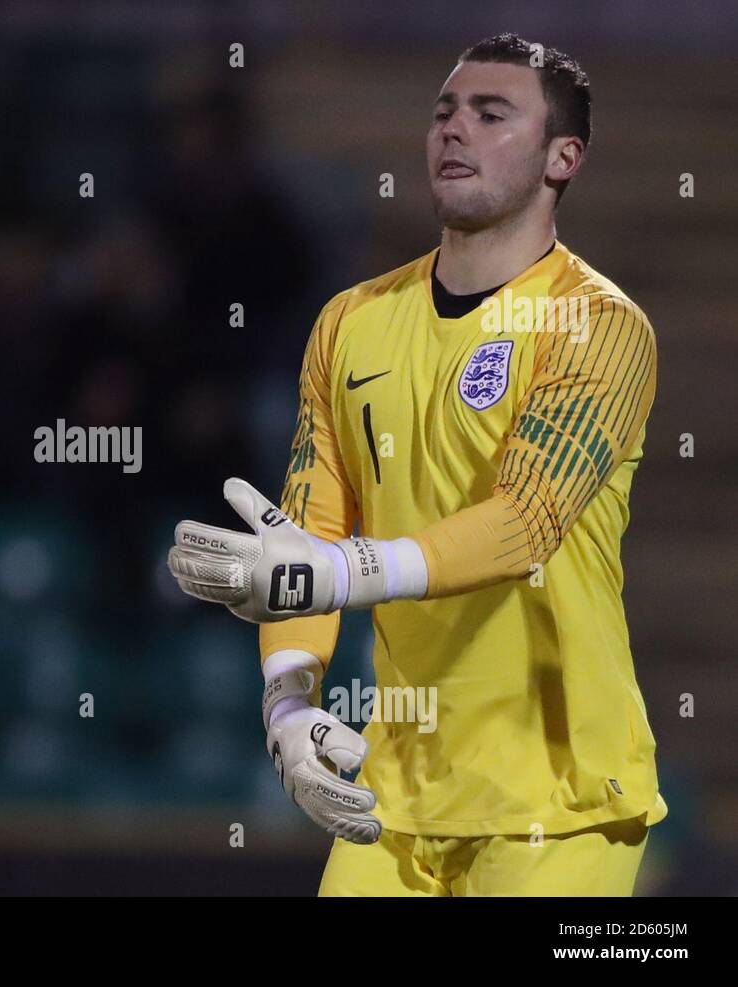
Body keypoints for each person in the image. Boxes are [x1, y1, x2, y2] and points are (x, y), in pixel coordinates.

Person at [167, 33, 664, 896]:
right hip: (395, 799)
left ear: (563, 157)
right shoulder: (350, 323)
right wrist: (289, 707)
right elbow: (305, 536)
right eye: (444, 112)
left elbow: (523, 523)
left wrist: (338, 570)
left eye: (490, 112)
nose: (453, 129)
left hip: (559, 801)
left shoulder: (601, 325)